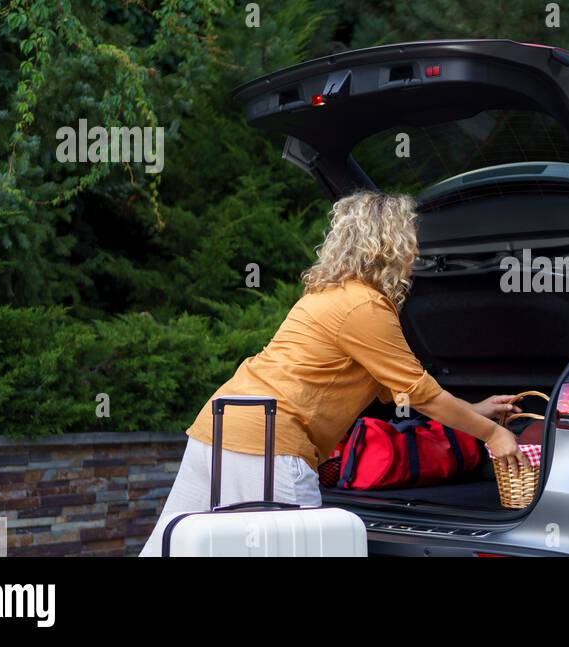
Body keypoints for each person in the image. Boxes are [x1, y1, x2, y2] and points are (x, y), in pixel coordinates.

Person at [139, 191, 529, 556]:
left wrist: (476, 410)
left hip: (218, 429)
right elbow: (420, 393)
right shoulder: (365, 307)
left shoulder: (327, 295)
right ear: (387, 246)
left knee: (172, 549)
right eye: (409, 240)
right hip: (271, 445)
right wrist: (493, 433)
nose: (416, 251)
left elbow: (403, 395)